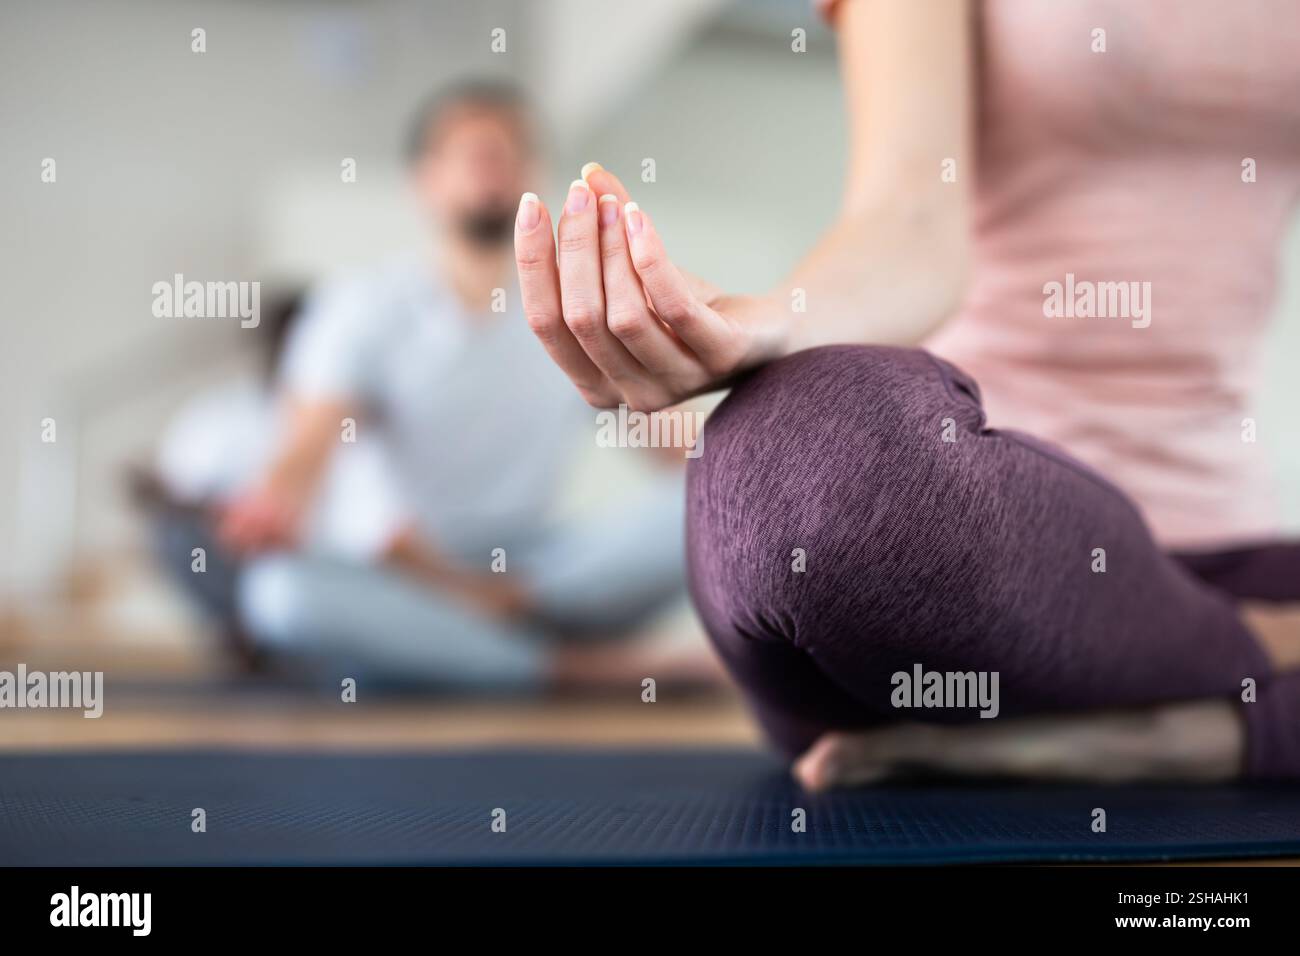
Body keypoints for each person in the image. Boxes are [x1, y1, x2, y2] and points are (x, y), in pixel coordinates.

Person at [513, 0, 1300, 782]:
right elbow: (910, 217)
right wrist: (770, 326)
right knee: (805, 458)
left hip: (1240, 553)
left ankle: (1180, 736)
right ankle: (1237, 691)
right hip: (956, 556)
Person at [220, 80, 710, 690]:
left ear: (534, 174)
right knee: (281, 595)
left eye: (509, 153)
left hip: (538, 575)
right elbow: (306, 446)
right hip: (408, 575)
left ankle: (484, 649)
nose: (492, 168)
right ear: (423, 180)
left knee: (716, 507)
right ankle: (566, 669)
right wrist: (272, 503)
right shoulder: (359, 306)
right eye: (472, 154)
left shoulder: (578, 308)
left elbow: (682, 456)